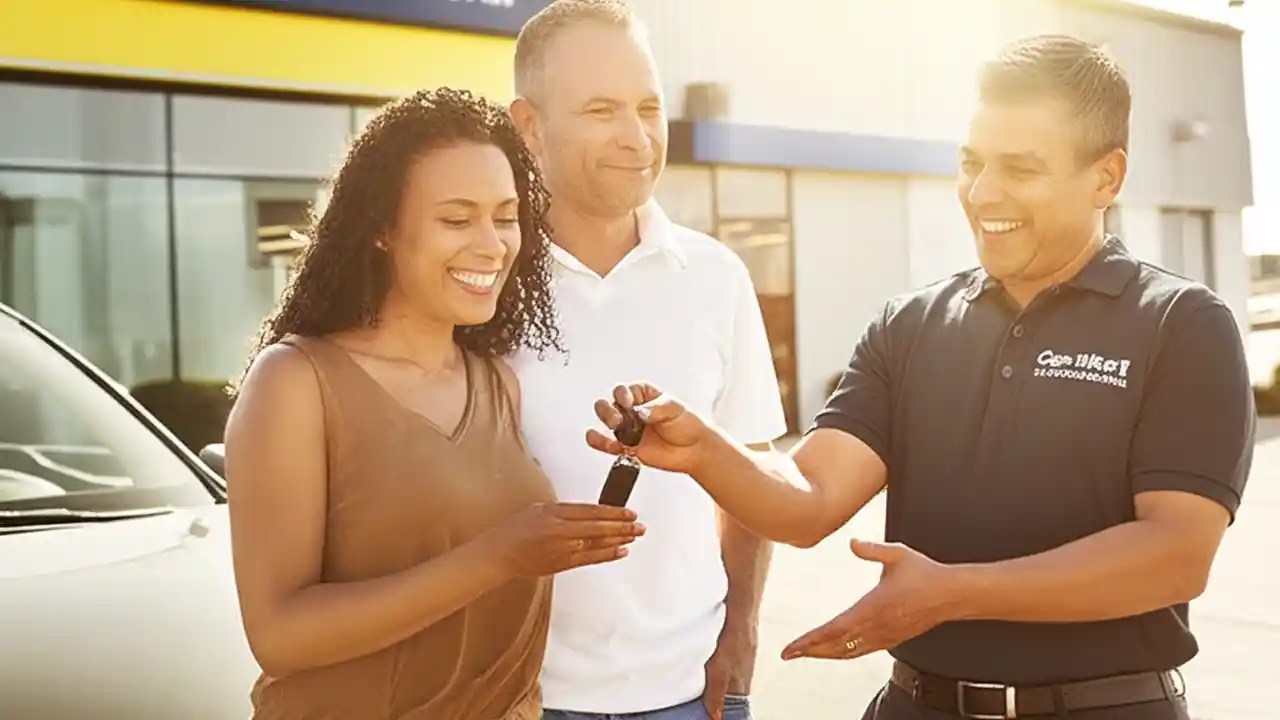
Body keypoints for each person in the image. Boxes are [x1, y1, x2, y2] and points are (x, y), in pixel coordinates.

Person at [585, 35, 1256, 720]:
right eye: (971, 163)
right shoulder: (910, 326)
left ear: (1106, 178)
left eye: (1019, 168)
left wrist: (955, 592)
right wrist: (705, 452)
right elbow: (811, 498)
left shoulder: (1180, 324)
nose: (982, 192)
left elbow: (1175, 554)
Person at [223, 87, 645, 720]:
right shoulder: (295, 382)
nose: (493, 244)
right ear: (382, 231)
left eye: (506, 217)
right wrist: (498, 557)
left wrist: (639, 430)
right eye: (456, 219)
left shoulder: (497, 382)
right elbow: (278, 637)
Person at [505, 2, 789, 719]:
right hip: (518, 699)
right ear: (529, 126)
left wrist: (744, 629)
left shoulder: (716, 275)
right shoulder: (485, 279)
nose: (637, 138)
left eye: (649, 107)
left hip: (693, 699)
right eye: (601, 109)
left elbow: (750, 474)